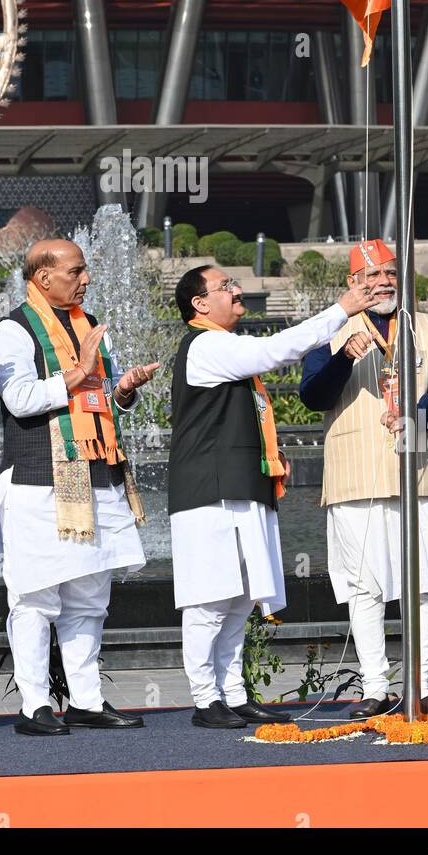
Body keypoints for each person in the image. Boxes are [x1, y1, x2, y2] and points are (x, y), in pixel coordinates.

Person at [169, 263, 375, 728]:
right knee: (209, 600)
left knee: (240, 599)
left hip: (241, 488)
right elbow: (275, 351)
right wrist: (341, 310)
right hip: (209, 495)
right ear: (200, 304)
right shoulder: (206, 345)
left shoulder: (222, 347)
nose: (236, 291)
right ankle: (205, 699)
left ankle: (234, 693)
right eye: (225, 287)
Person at [0, 238, 159, 736]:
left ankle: (86, 700)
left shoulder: (90, 325)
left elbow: (106, 396)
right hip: (41, 481)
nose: (86, 279)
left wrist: (123, 390)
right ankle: (34, 705)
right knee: (36, 598)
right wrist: (78, 372)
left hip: (95, 471)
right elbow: (18, 399)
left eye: (85, 270)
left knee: (89, 598)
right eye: (76, 271)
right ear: (42, 278)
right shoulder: (13, 330)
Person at [299, 239, 428, 718]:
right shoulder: (329, 328)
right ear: (353, 282)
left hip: (418, 470)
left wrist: (415, 417)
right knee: (365, 587)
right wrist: (342, 359)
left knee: (423, 583)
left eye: (390, 274)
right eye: (372, 276)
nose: (383, 283)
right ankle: (375, 686)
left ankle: (418, 683)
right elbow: (312, 396)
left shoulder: (427, 327)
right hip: (356, 475)